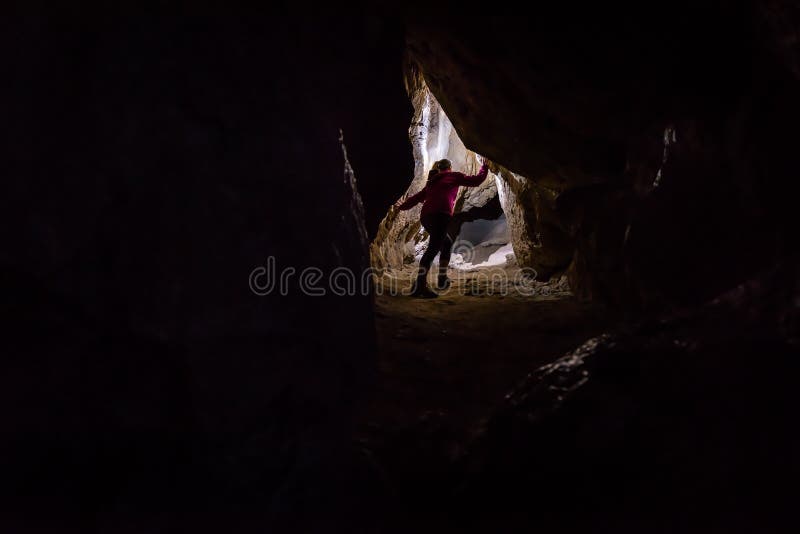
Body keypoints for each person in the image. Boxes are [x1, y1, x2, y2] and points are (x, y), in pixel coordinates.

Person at [393, 157, 490, 298]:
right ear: (449, 167)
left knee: (446, 243)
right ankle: (419, 286)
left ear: (439, 169)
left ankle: (442, 278)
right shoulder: (454, 176)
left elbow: (417, 197)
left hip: (426, 217)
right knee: (433, 248)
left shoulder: (432, 182)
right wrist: (484, 167)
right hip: (440, 215)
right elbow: (476, 181)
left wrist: (403, 205)